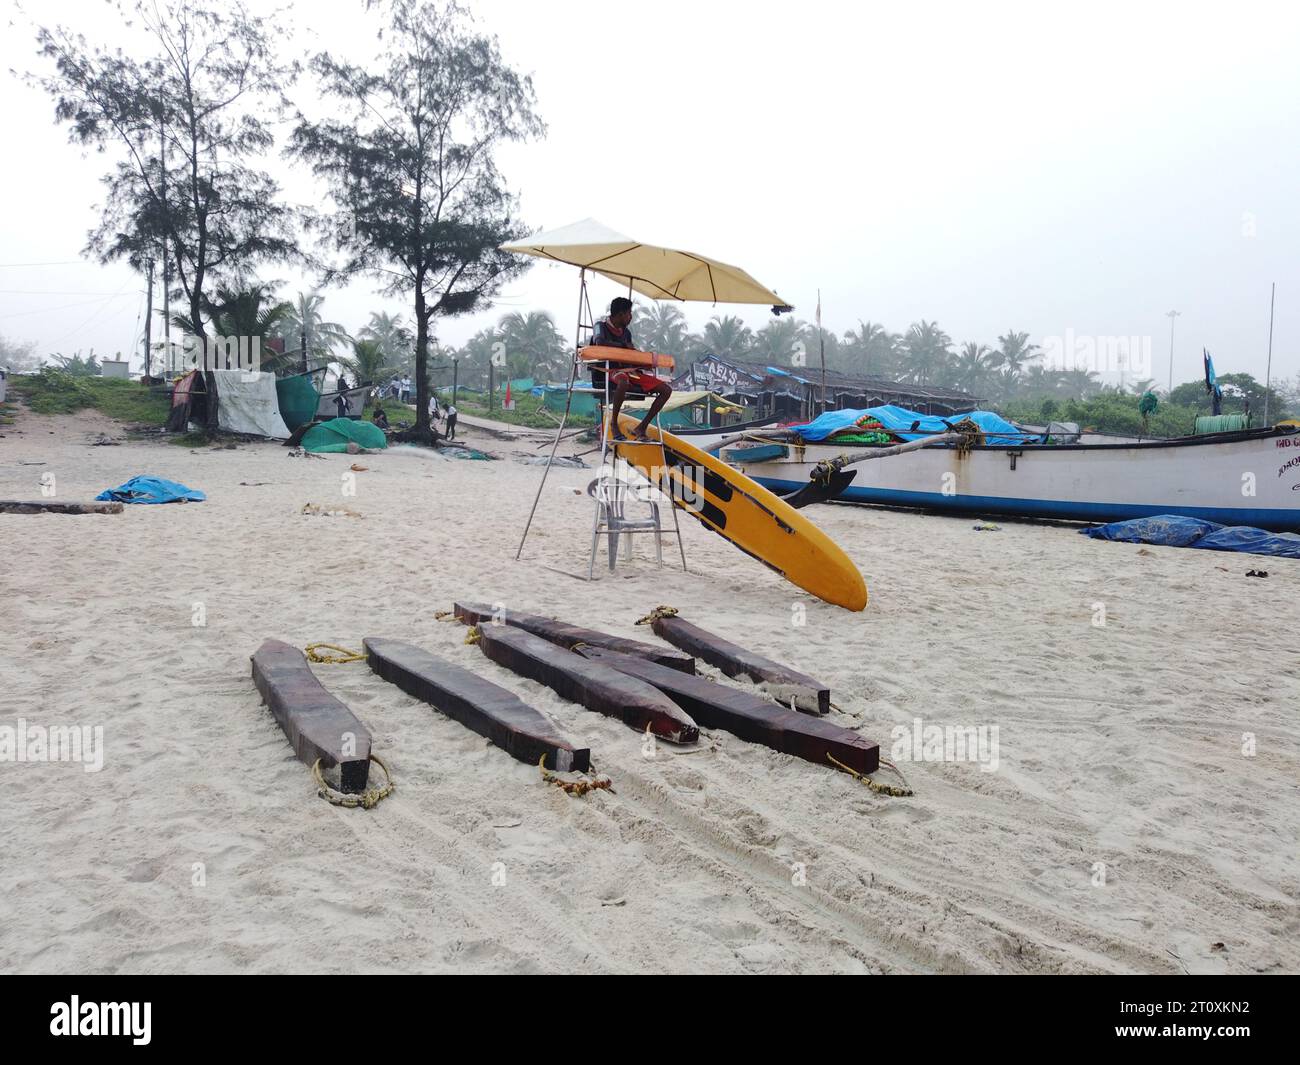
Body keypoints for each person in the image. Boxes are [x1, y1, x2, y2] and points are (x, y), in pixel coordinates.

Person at [592, 297, 671, 440]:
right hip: (610, 370)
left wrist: (645, 361)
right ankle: (614, 424)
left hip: (630, 371)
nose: (631, 317)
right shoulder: (600, 326)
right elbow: (599, 342)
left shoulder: (626, 332)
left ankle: (642, 427)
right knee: (623, 381)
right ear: (621, 314)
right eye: (629, 313)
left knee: (666, 390)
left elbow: (630, 352)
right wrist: (623, 347)